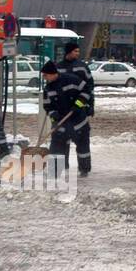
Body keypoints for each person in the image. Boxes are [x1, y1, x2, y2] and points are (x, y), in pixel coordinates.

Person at [40, 59, 88, 176]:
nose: (44, 78)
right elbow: (47, 106)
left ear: (52, 73)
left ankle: (84, 170)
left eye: (45, 75)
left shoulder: (71, 80)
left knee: (82, 147)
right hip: (61, 121)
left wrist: (78, 104)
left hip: (78, 121)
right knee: (56, 146)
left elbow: (86, 91)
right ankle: (55, 171)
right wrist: (53, 116)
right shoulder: (48, 89)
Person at [55, 42, 93, 175]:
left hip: (78, 110)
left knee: (82, 142)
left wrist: (89, 106)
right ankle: (61, 168)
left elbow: (90, 88)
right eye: (75, 51)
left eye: (78, 51)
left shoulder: (82, 67)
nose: (78, 53)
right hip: (62, 111)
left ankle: (84, 169)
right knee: (60, 142)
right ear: (68, 52)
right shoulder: (58, 67)